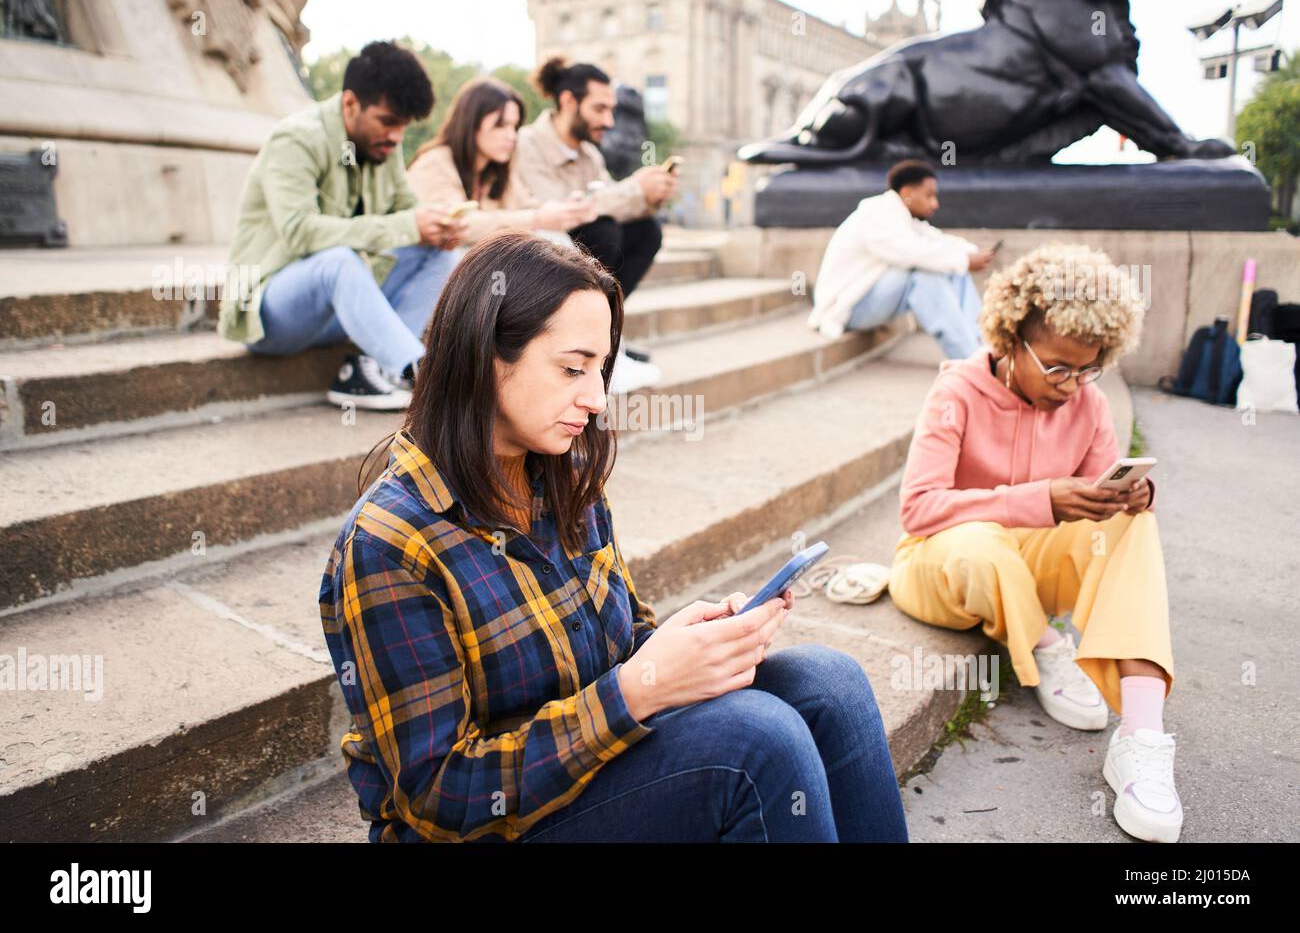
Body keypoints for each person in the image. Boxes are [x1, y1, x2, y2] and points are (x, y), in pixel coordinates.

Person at [318, 231, 908, 843]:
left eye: (601, 368)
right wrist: (635, 690)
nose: (596, 398)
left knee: (828, 685)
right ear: (485, 355)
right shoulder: (390, 541)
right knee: (755, 742)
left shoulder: (563, 472)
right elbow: (437, 796)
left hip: (589, 767)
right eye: (572, 368)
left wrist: (692, 646)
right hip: (483, 827)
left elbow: (623, 639)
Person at [886, 243, 1181, 843]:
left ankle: (1142, 738)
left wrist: (1127, 498)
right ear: (1009, 339)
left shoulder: (1089, 404)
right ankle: (1048, 645)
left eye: (1087, 369)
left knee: (1132, 527)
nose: (1072, 386)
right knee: (981, 544)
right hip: (938, 563)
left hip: (1027, 561)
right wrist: (1041, 497)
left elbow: (1098, 503)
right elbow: (919, 508)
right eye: (1056, 367)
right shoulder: (956, 392)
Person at [219, 40, 467, 411]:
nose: (397, 135)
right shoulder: (296, 139)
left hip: (339, 310)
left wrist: (438, 227)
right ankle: (422, 374)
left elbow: (407, 214)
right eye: (388, 121)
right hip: (270, 312)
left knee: (438, 255)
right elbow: (300, 232)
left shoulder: (383, 145)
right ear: (350, 103)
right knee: (338, 262)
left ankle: (368, 368)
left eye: (404, 125)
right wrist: (406, 225)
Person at [513, 57, 680, 393]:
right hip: (536, 252)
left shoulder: (590, 154)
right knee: (604, 231)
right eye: (600, 109)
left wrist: (649, 196)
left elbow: (607, 200)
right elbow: (562, 210)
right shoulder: (527, 143)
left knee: (647, 230)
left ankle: (604, 331)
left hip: (577, 245)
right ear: (568, 102)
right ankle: (586, 337)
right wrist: (634, 188)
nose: (609, 120)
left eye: (611, 110)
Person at [809, 159, 996, 359]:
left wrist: (970, 254)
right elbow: (913, 253)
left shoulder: (902, 216)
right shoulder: (877, 213)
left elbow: (938, 240)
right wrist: (964, 261)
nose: (935, 203)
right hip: (846, 309)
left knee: (952, 268)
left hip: (872, 300)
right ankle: (970, 359)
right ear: (907, 193)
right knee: (923, 276)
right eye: (929, 195)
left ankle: (984, 343)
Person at [405, 76, 597, 247]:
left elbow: (525, 206)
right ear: (471, 123)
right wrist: (537, 218)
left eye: (514, 126)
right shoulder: (435, 162)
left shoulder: (495, 169)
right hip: (426, 271)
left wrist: (563, 210)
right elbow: (458, 227)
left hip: (481, 270)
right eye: (501, 125)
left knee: (559, 241)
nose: (511, 136)